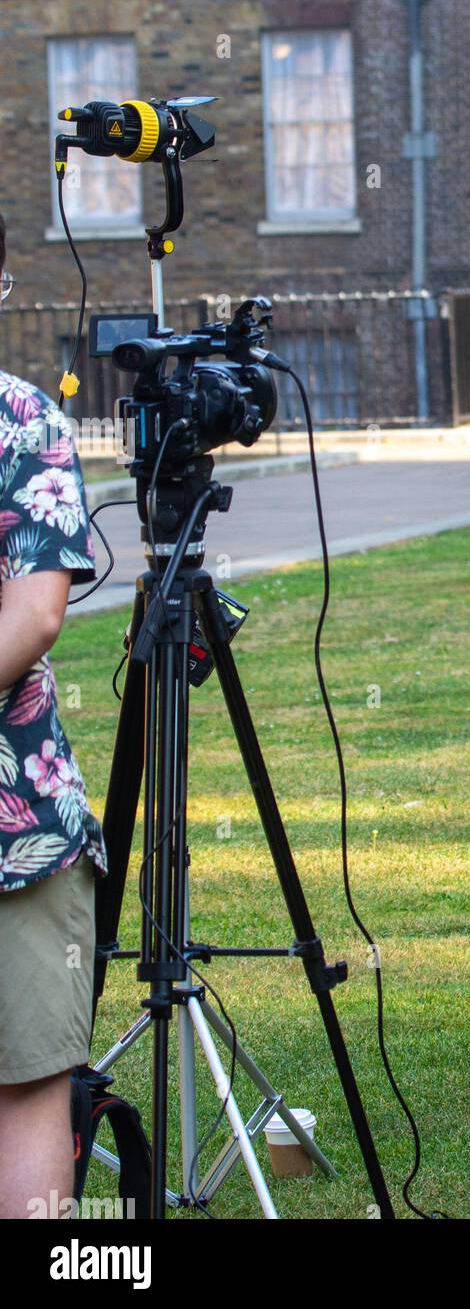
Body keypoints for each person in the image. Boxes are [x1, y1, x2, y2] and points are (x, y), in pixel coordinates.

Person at [0, 209, 106, 1218]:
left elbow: (32, 617)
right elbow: (28, 614)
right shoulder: (25, 420)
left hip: (14, 830)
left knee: (29, 1082)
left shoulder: (24, 421)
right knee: (23, 1081)